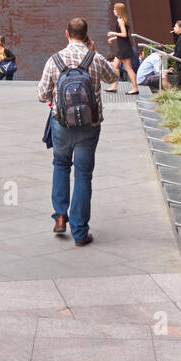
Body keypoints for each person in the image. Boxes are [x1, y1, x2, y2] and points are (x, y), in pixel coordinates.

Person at [37, 17, 119, 246]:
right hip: (89, 127)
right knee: (83, 175)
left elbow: (41, 94)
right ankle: (80, 233)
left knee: (61, 165)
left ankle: (60, 216)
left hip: (61, 125)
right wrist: (95, 51)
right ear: (86, 35)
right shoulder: (95, 59)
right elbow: (114, 78)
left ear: (66, 34)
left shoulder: (54, 60)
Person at [104, 2, 139, 95]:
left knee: (119, 67)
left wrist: (113, 33)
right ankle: (117, 86)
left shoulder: (121, 21)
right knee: (125, 68)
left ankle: (132, 88)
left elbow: (124, 34)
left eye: (115, 9)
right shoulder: (123, 19)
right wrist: (114, 38)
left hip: (124, 48)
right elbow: (126, 35)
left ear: (119, 10)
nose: (113, 11)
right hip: (125, 47)